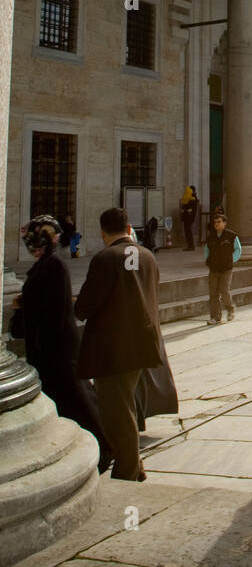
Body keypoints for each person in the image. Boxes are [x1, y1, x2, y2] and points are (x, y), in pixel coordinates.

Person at [11, 215, 112, 472]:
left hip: (57, 349)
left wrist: (25, 308)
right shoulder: (44, 264)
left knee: (78, 398)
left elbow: (55, 309)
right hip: (49, 349)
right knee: (71, 398)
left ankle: (104, 446)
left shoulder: (53, 265)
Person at [74, 206, 164, 481]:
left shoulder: (105, 258)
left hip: (113, 349)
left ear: (103, 233)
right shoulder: (147, 256)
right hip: (142, 344)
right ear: (128, 228)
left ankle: (127, 470)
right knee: (126, 405)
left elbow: (85, 307)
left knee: (116, 412)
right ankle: (134, 464)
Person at [204, 207, 241, 325]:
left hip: (226, 268)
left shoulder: (231, 236)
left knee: (224, 290)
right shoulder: (211, 237)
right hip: (214, 268)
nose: (216, 224)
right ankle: (215, 317)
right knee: (213, 293)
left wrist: (231, 260)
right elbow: (207, 250)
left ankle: (230, 309)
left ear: (225, 223)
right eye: (215, 222)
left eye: (219, 222)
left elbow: (238, 249)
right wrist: (208, 261)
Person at [180, 185, 198, 251]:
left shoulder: (192, 198)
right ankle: (190, 245)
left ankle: (191, 246)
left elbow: (190, 209)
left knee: (188, 232)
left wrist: (184, 209)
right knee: (187, 232)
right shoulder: (191, 197)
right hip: (188, 217)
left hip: (188, 218)